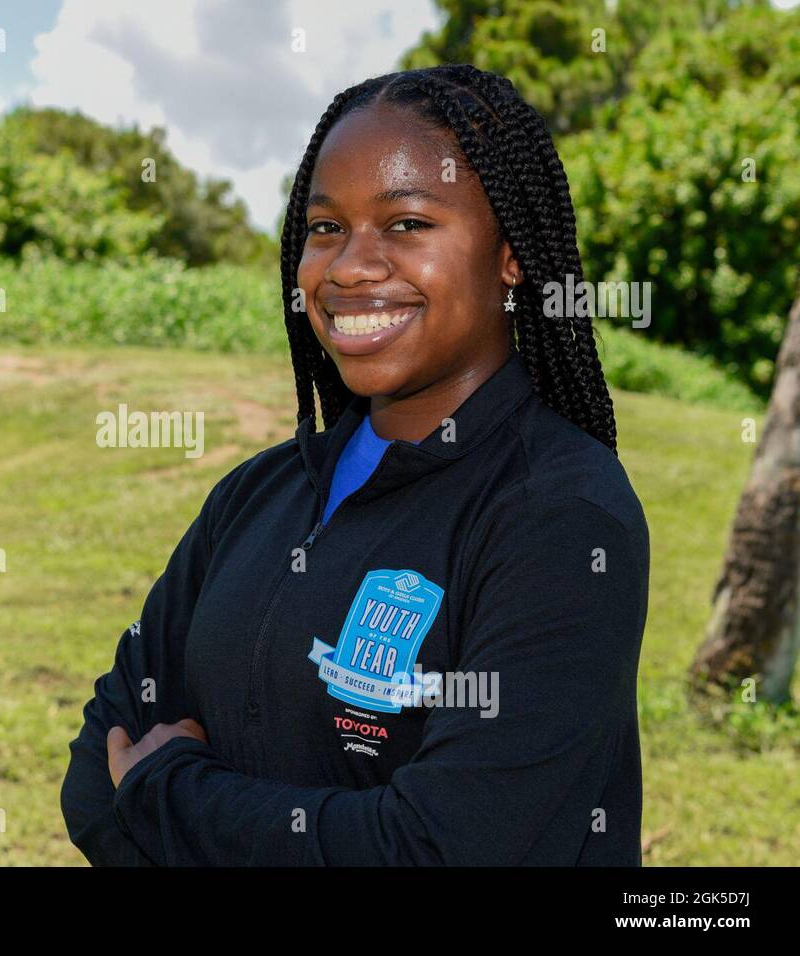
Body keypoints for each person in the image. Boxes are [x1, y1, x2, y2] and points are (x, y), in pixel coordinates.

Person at [60, 65, 650, 866]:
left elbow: (438, 850)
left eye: (406, 224)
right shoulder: (257, 494)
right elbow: (97, 776)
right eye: (326, 227)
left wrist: (168, 790)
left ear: (511, 255)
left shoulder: (561, 517)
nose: (348, 268)